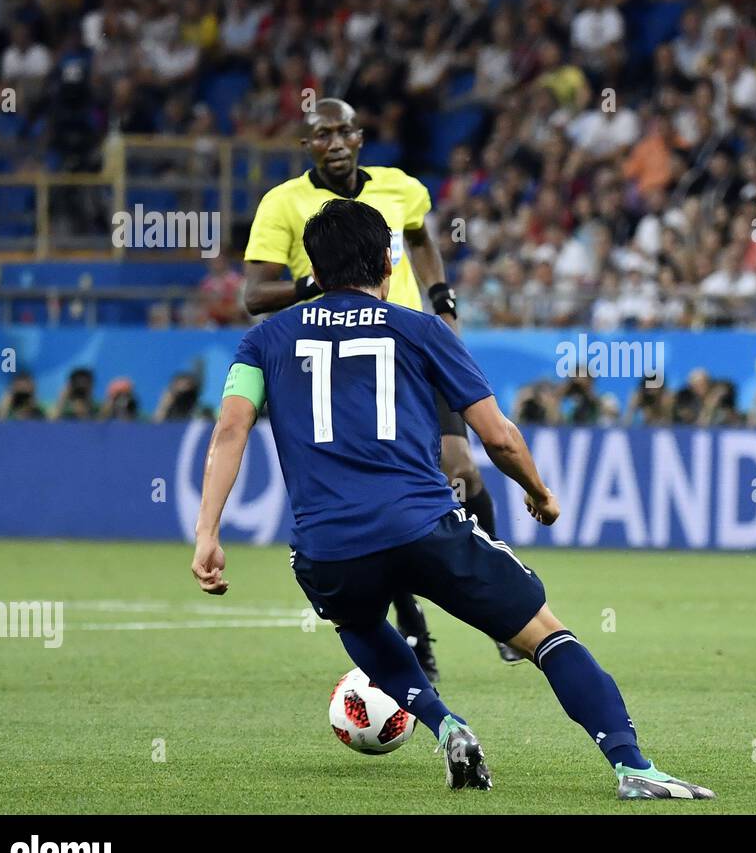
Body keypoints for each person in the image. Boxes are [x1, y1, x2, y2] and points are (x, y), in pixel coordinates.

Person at [190, 199, 713, 801]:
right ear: (387, 265)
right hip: (423, 527)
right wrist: (539, 494)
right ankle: (632, 767)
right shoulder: (421, 329)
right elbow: (497, 435)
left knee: (357, 620)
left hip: (329, 547)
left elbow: (229, 431)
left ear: (314, 268)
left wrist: (208, 532)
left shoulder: (262, 342)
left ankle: (445, 724)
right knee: (546, 637)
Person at [241, 97, 518, 675]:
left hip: (411, 352)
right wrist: (317, 284)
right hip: (345, 369)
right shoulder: (283, 204)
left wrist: (440, 297)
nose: (335, 142)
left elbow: (418, 237)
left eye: (345, 131)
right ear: (308, 145)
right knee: (380, 497)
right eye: (323, 134)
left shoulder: (400, 189)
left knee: (462, 470)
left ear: (361, 136)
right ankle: (412, 628)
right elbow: (252, 296)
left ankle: (504, 606)